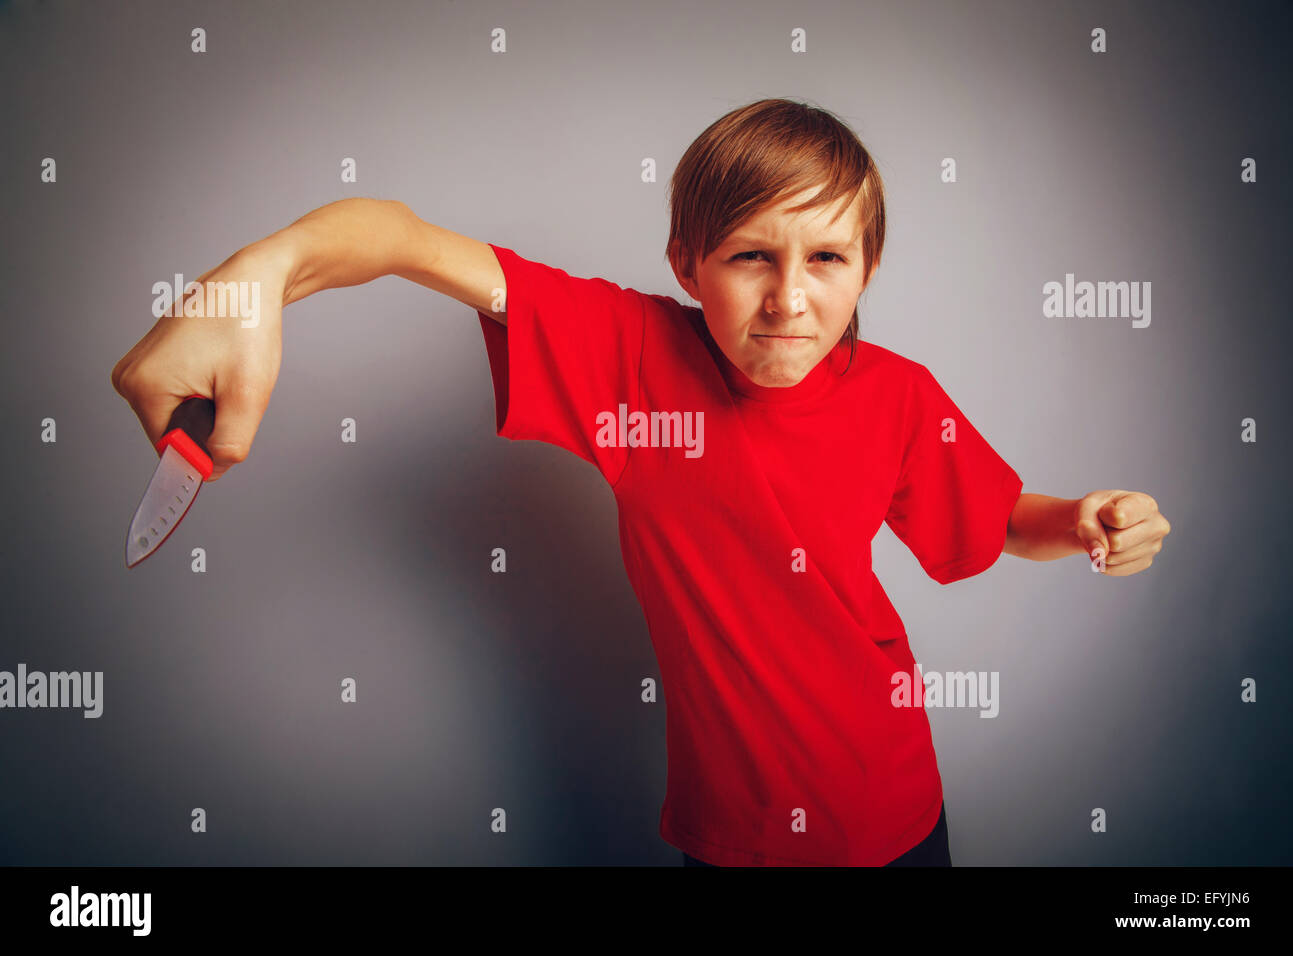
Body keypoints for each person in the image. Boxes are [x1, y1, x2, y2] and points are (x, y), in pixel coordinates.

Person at [111, 98, 1172, 866]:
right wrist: (254, 273)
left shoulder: (897, 393)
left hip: (891, 805)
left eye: (827, 259)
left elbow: (995, 519)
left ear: (869, 268)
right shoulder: (632, 357)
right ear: (685, 263)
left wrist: (1079, 518)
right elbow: (393, 237)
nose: (789, 298)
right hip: (729, 830)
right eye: (751, 255)